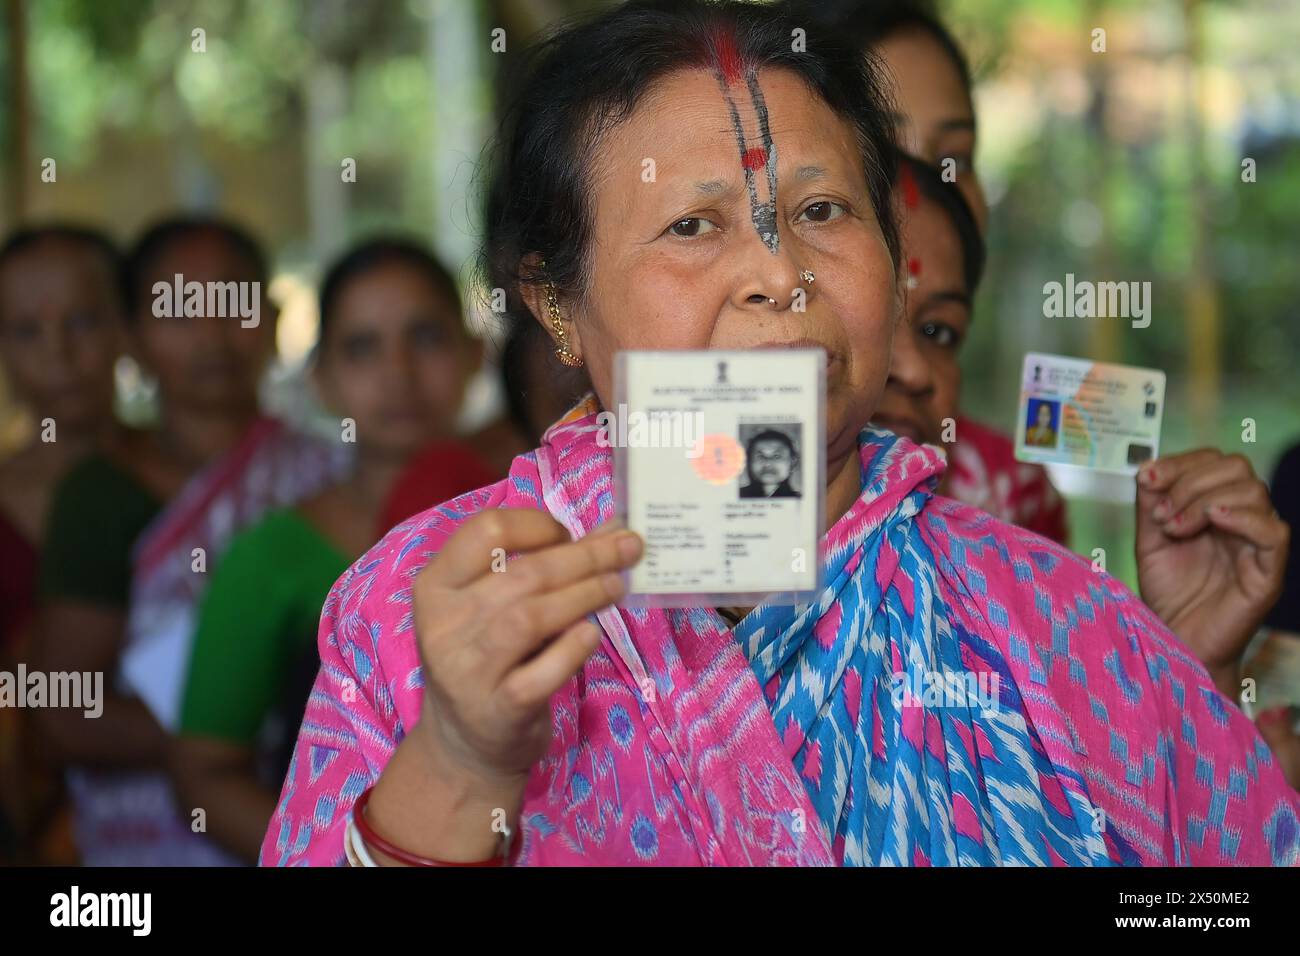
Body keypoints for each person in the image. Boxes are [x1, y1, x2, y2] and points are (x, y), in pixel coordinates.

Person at [264, 0, 1297, 867]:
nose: (777, 273)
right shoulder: (413, 616)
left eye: (822, 210)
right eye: (691, 224)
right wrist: (460, 761)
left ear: (896, 273)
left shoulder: (1062, 625)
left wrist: (1186, 677)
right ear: (557, 305)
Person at [797, 0, 1289, 703]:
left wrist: (1189, 666)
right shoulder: (690, 499)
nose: (928, 187)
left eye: (954, 156)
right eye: (877, 145)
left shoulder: (1010, 493)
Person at [33, 216, 345, 866]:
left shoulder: (335, 471)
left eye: (234, 301)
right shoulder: (102, 496)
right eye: (179, 309)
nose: (212, 334)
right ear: (133, 337)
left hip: (322, 812)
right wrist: (235, 724)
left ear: (273, 315)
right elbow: (62, 711)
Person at [172, 238, 487, 861]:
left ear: (474, 354)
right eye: (362, 347)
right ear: (322, 381)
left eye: (425, 336)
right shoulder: (271, 556)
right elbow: (202, 772)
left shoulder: (540, 513)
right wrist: (342, 855)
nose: (398, 373)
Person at [0, 225, 129, 864]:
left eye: (82, 321)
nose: (59, 352)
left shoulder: (189, 492)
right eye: (26, 331)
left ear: (127, 327)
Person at [738, 430, 800, 498]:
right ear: (749, 461)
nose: (768, 463)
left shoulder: (799, 500)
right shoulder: (738, 495)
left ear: (793, 462)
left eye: (777, 456)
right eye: (760, 456)